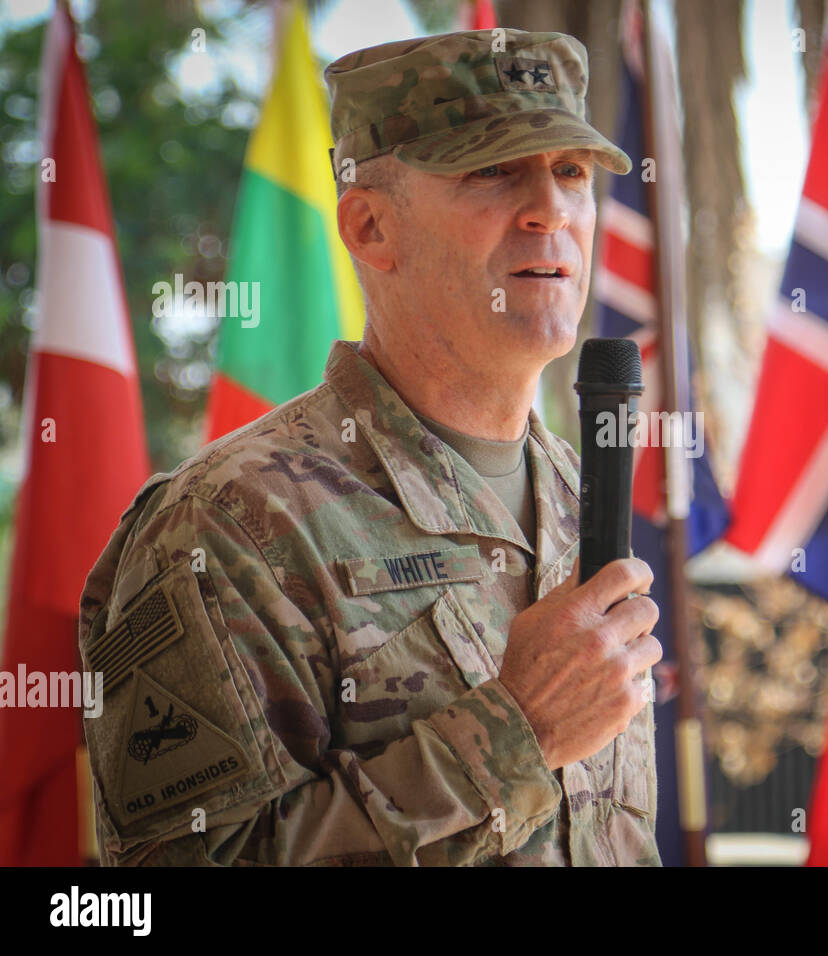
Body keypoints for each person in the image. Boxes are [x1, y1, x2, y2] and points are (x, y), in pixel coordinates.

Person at [77, 28, 663, 866]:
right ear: (370, 228)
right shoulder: (229, 524)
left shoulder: (584, 501)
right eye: (493, 169)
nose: (551, 210)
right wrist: (514, 734)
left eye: (570, 171)